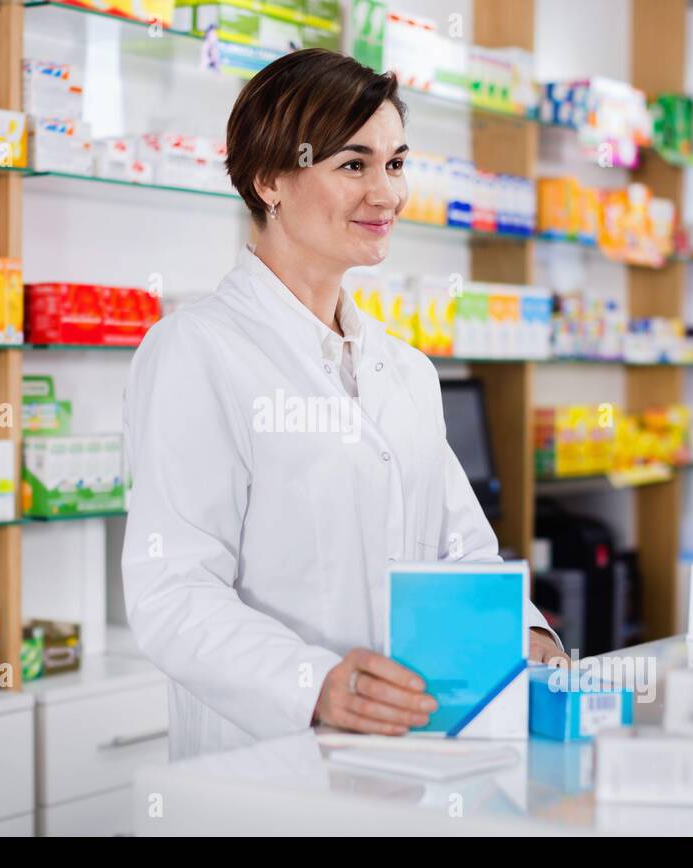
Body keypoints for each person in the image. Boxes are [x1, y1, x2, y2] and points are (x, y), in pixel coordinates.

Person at [122, 48, 564, 760]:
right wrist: (315, 684)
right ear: (268, 179)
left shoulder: (406, 370)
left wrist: (530, 635)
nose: (386, 194)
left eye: (395, 164)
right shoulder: (196, 352)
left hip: (411, 755)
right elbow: (172, 591)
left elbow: (464, 553)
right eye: (353, 165)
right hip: (264, 771)